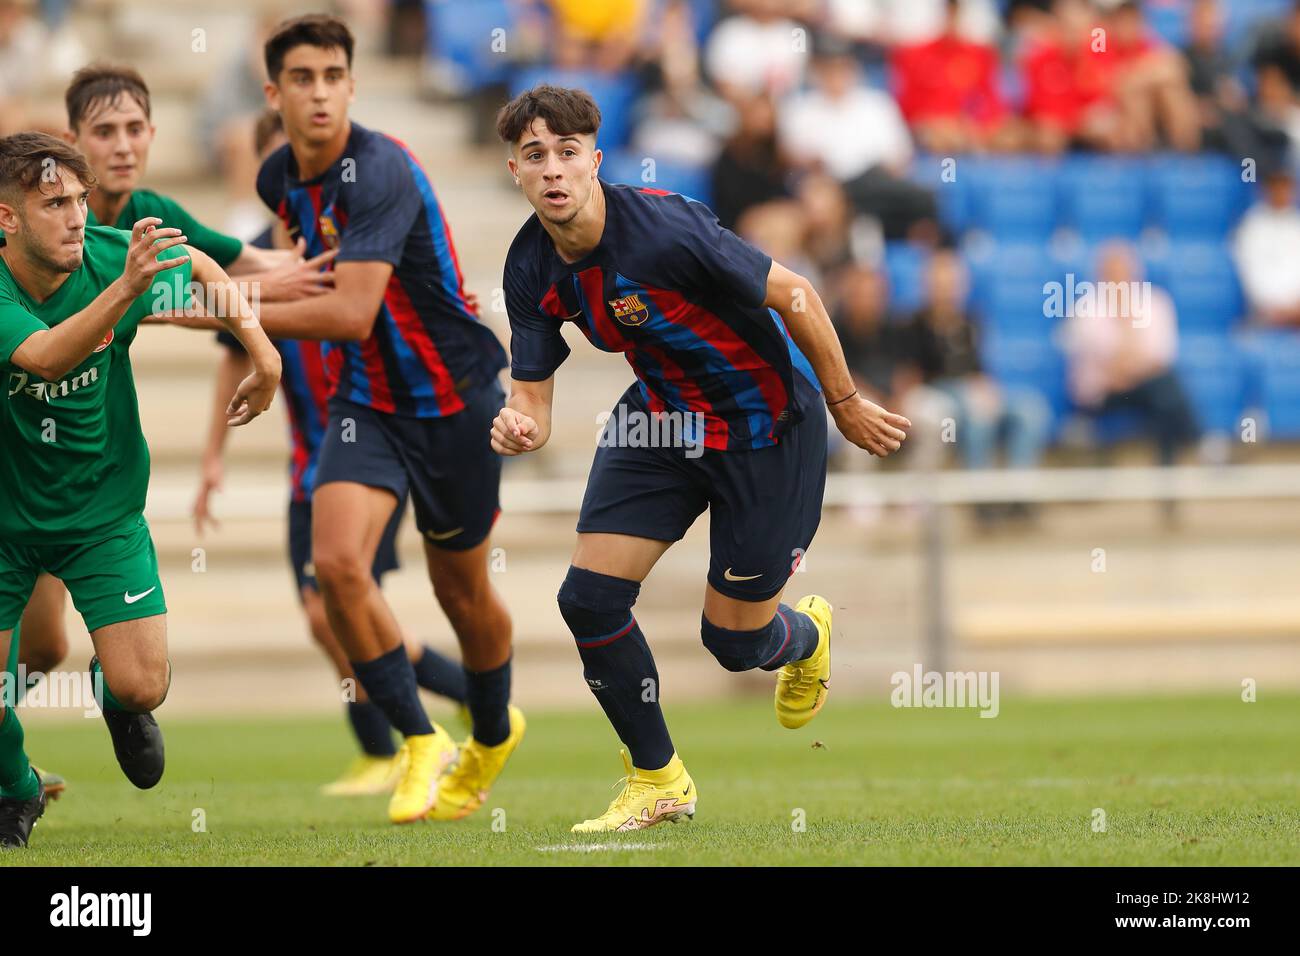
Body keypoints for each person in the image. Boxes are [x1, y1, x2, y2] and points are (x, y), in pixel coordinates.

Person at [493, 85, 910, 831]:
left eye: (565, 153)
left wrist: (845, 403)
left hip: (766, 429)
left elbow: (799, 294)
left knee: (734, 642)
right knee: (586, 599)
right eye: (534, 156)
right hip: (662, 425)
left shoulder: (663, 227)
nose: (552, 169)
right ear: (515, 172)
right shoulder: (529, 268)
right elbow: (533, 403)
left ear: (593, 159)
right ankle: (658, 779)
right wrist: (518, 426)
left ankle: (805, 635)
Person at [168, 15, 521, 825]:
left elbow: (352, 309)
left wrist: (222, 309)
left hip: (455, 398)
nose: (320, 92)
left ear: (352, 86)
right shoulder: (275, 181)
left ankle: (493, 732)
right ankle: (420, 740)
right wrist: (234, 317)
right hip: (368, 406)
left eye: (333, 76)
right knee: (335, 572)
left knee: (463, 594)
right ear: (274, 93)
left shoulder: (382, 169)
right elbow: (299, 278)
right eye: (303, 78)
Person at [4, 63, 333, 801]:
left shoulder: (132, 228)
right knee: (42, 647)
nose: (120, 148)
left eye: (133, 130)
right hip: (15, 492)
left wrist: (273, 341)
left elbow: (233, 267)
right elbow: (50, 354)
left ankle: (116, 696)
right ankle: (12, 779)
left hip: (94, 486)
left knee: (126, 673)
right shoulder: (53, 246)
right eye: (102, 134)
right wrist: (139, 293)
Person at [193, 109, 469, 796]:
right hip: (304, 467)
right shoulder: (248, 255)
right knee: (325, 620)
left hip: (373, 453)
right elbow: (233, 357)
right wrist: (212, 457)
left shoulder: (359, 239)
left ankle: (423, 730)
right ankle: (437, 710)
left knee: (336, 603)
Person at [1065, 242, 1199, 465]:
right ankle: (1200, 442)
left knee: (1165, 400)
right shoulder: (1086, 308)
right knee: (1166, 392)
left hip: (1146, 386)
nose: (1118, 277)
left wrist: (1129, 361)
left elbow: (1162, 356)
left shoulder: (1155, 303)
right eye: (1112, 270)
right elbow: (1094, 359)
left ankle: (1168, 477)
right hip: (1105, 392)